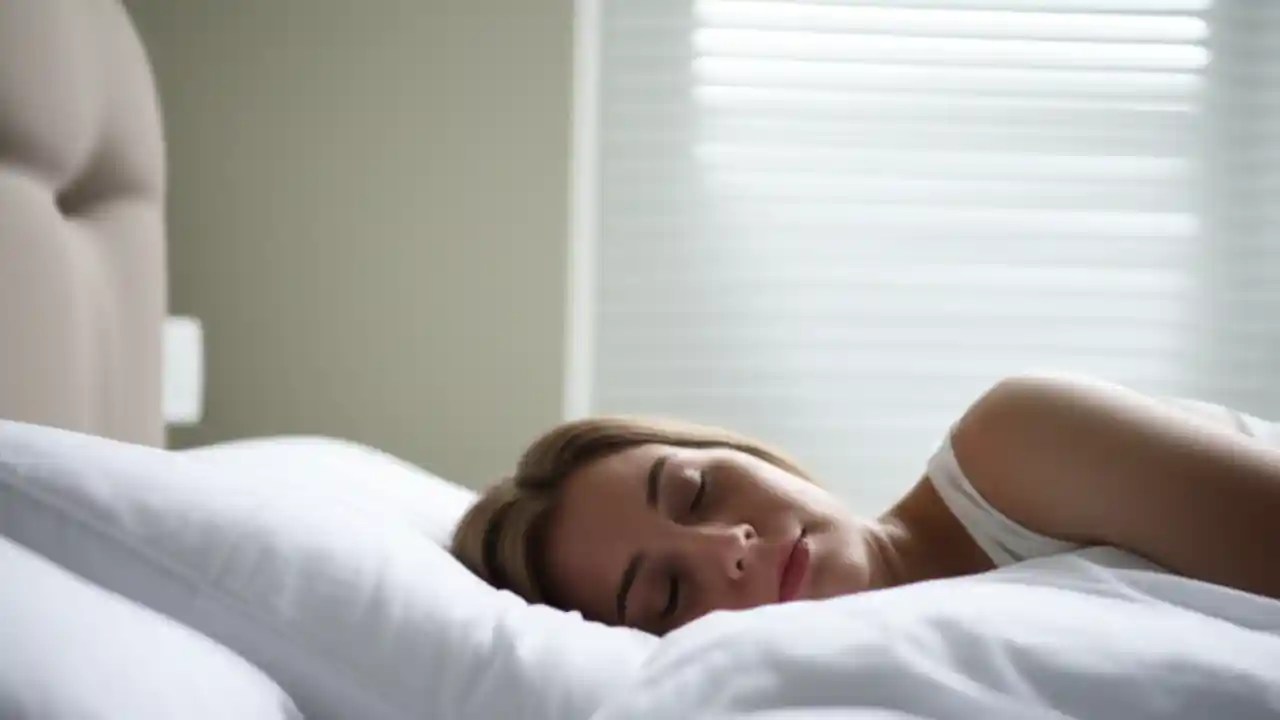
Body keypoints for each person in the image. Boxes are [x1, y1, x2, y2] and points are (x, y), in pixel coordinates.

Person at [452, 373, 1280, 635]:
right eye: (669, 595)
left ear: (748, 454)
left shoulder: (1016, 444)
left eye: (696, 491)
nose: (726, 547)